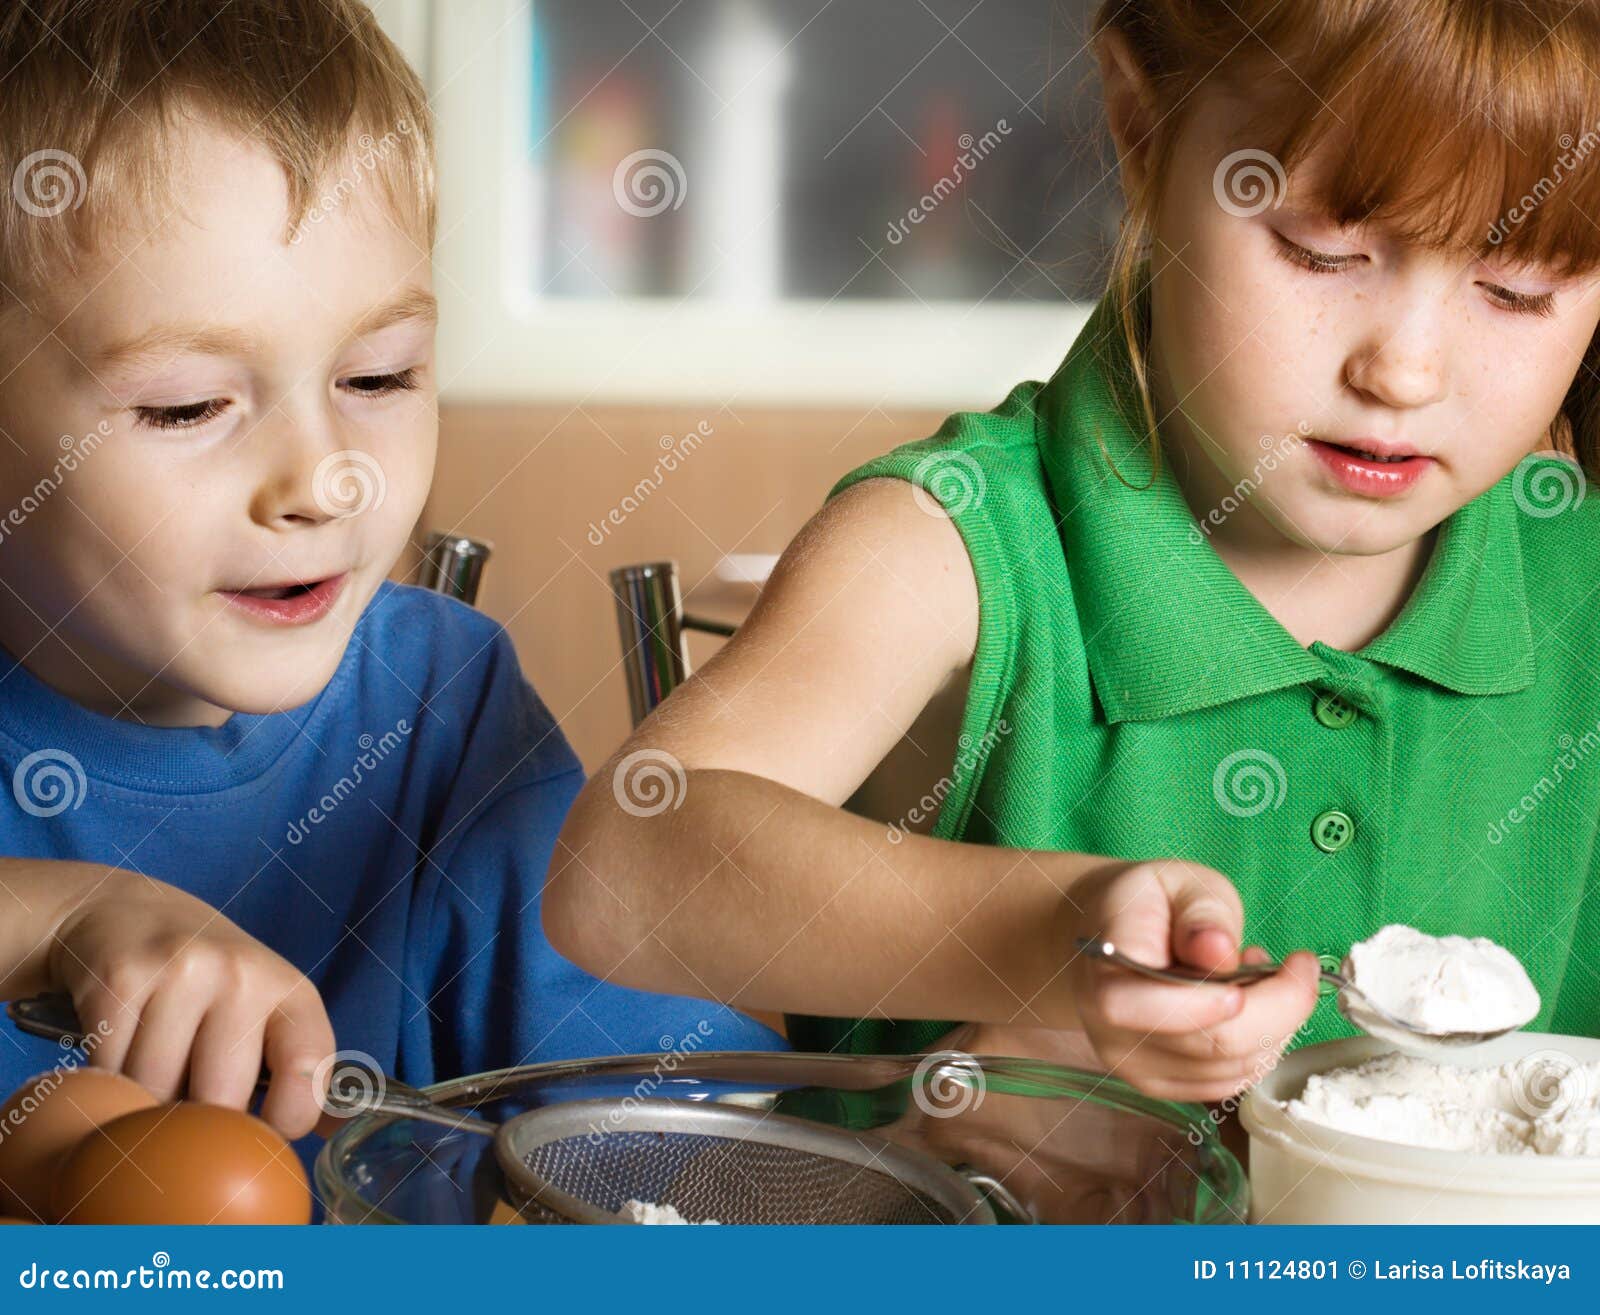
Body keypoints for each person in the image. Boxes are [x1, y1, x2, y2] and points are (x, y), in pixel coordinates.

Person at [547, 0, 1600, 1106]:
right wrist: (1060, 933)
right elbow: (621, 866)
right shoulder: (961, 541)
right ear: (1141, 126)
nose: (1405, 373)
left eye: (1516, 290)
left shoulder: (1573, 572)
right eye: (1321, 248)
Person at [0, 0, 782, 1207]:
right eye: (185, 407)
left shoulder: (441, 704)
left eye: (378, 378)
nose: (325, 479)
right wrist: (67, 912)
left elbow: (681, 1139)